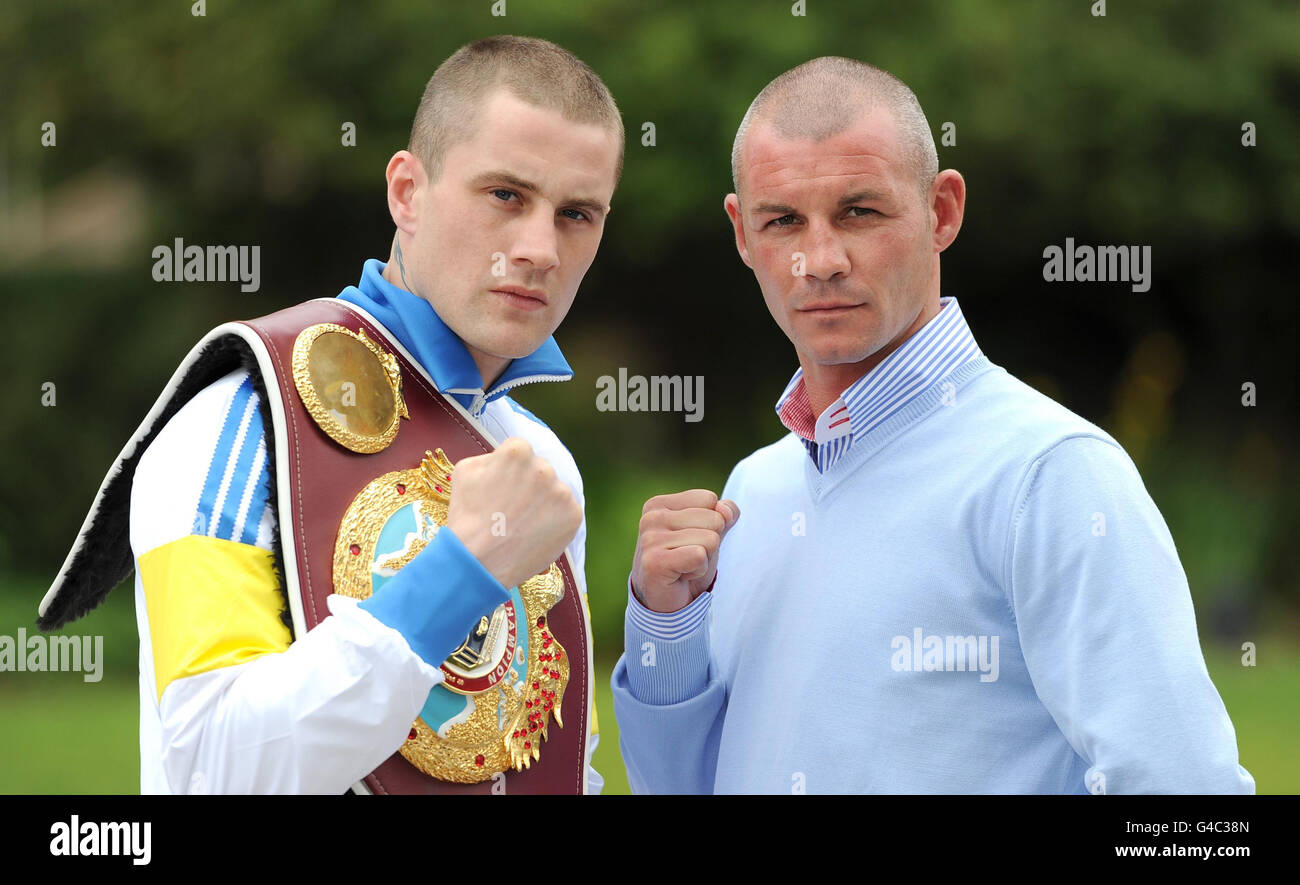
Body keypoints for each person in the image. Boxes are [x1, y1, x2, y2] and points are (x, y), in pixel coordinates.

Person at [610, 56, 1254, 794]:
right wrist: (666, 627)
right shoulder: (753, 491)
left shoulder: (1052, 473)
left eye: (859, 211)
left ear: (941, 211)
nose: (818, 260)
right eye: (783, 220)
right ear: (742, 233)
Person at [39, 35, 622, 794]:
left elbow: (556, 766)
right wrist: (461, 571)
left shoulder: (540, 458)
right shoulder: (239, 423)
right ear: (407, 193)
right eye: (506, 195)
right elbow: (212, 769)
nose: (540, 247)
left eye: (577, 213)